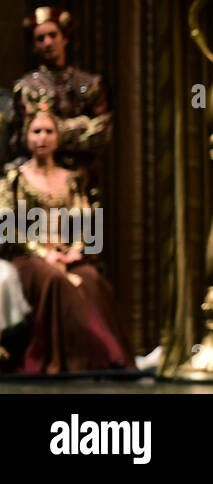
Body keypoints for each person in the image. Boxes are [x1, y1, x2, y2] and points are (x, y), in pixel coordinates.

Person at [0, 104, 131, 372]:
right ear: (27, 136)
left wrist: (76, 250)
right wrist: (43, 253)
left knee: (92, 280)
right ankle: (84, 356)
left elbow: (85, 222)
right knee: (55, 281)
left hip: (65, 253)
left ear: (58, 137)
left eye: (49, 131)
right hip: (29, 257)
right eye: (36, 131)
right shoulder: (14, 179)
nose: (42, 138)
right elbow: (7, 226)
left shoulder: (71, 179)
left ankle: (105, 358)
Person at [10, 7, 112, 193]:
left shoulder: (90, 84)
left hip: (84, 178)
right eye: (40, 39)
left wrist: (55, 130)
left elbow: (101, 133)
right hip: (39, 181)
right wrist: (81, 125)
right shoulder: (27, 87)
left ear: (64, 38)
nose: (47, 42)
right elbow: (31, 135)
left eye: (52, 35)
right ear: (34, 46)